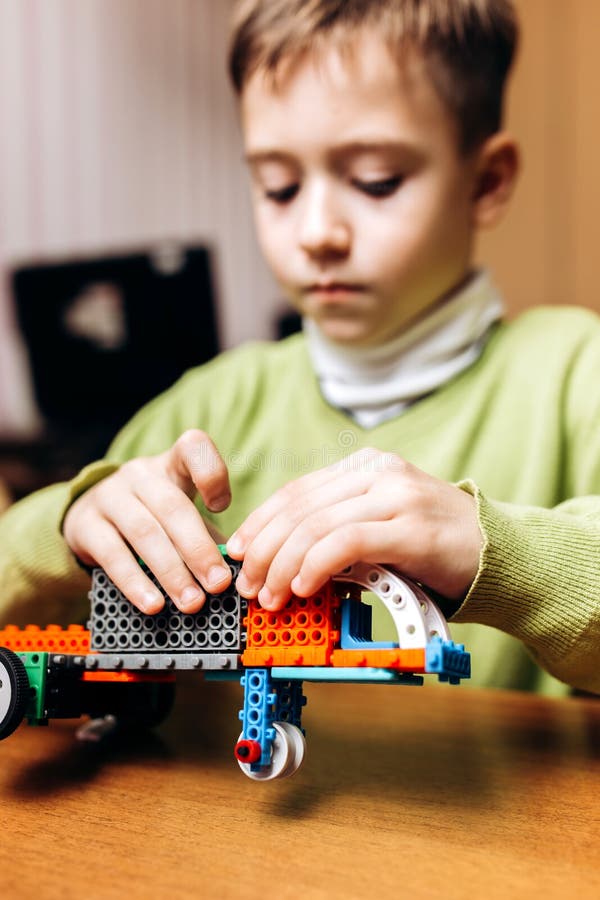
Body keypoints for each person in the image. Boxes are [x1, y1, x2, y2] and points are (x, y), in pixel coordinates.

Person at [1, 0, 599, 696]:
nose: (317, 231)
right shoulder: (212, 403)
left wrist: (495, 549)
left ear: (487, 181)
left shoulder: (575, 372)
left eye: (377, 180)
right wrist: (66, 529)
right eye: (278, 187)